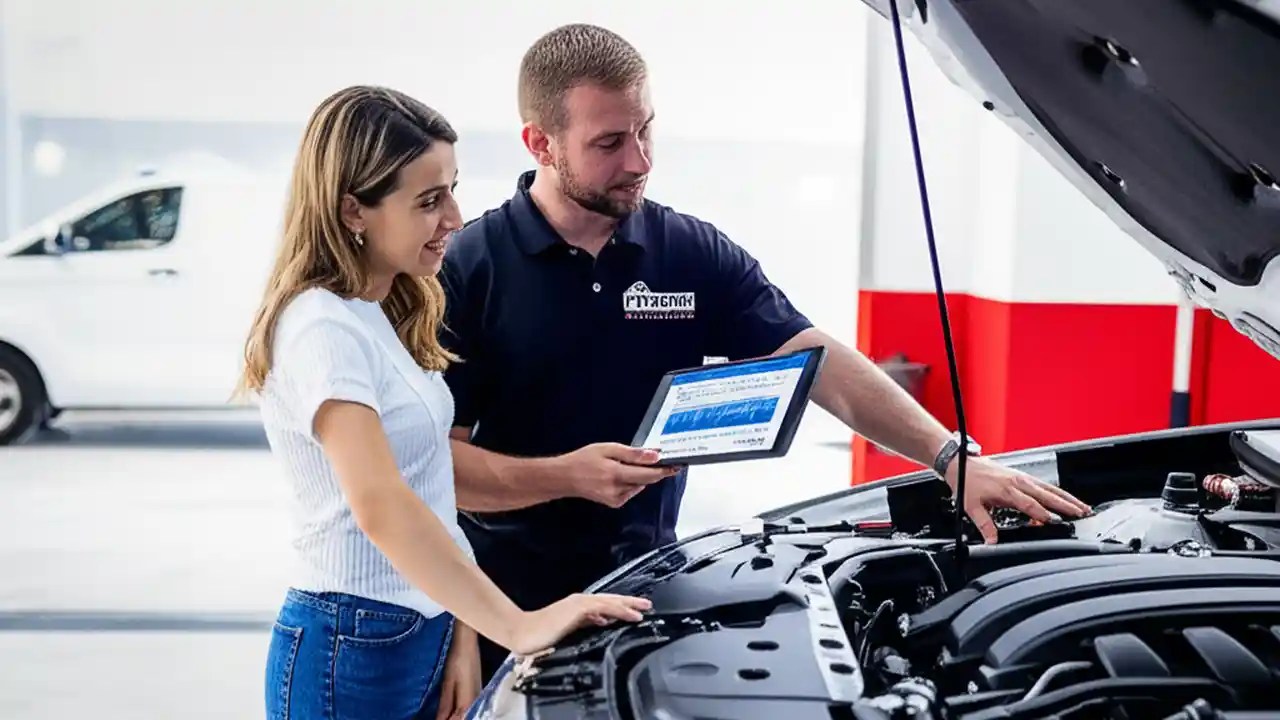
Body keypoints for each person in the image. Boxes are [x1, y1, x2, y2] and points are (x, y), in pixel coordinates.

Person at [439, 24, 1093, 682]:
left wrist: (950, 458)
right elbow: (436, 471)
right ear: (540, 143)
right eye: (609, 143)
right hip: (506, 611)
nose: (639, 160)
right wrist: (569, 477)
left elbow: (818, 363)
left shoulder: (689, 253)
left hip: (646, 593)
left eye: (646, 131)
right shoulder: (469, 269)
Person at [238, 85, 652, 720]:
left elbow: (427, 484)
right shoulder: (321, 326)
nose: (455, 218)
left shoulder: (376, 313)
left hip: (413, 626)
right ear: (354, 210)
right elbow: (381, 504)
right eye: (430, 201)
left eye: (452, 189)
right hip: (351, 647)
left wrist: (461, 623)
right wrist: (516, 626)